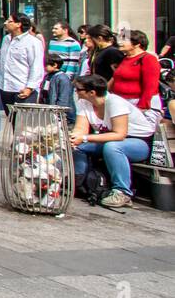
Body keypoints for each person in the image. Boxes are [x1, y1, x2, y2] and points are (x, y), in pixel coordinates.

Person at [71, 73, 155, 209]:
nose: (76, 92)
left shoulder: (115, 102)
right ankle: (78, 181)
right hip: (108, 139)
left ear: (92, 92)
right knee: (79, 146)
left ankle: (122, 192)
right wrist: (75, 137)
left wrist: (85, 138)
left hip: (139, 143)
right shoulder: (84, 103)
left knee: (112, 147)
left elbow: (119, 134)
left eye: (78, 89)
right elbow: (80, 128)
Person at [0, 13, 44, 113]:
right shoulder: (6, 39)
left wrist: (29, 87)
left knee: (23, 123)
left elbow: (36, 67)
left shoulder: (33, 42)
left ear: (18, 24)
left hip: (22, 88)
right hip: (5, 87)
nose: (5, 23)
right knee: (12, 120)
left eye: (9, 21)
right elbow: (1, 60)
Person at [112, 29, 161, 118]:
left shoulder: (148, 59)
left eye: (124, 40)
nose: (120, 43)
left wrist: (142, 106)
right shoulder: (125, 58)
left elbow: (151, 86)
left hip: (138, 104)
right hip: (123, 102)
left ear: (137, 44)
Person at [41, 53, 77, 126]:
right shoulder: (47, 76)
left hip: (62, 116)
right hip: (50, 111)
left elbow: (64, 98)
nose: (44, 67)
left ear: (55, 65)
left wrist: (59, 113)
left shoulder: (63, 78)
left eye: (46, 65)